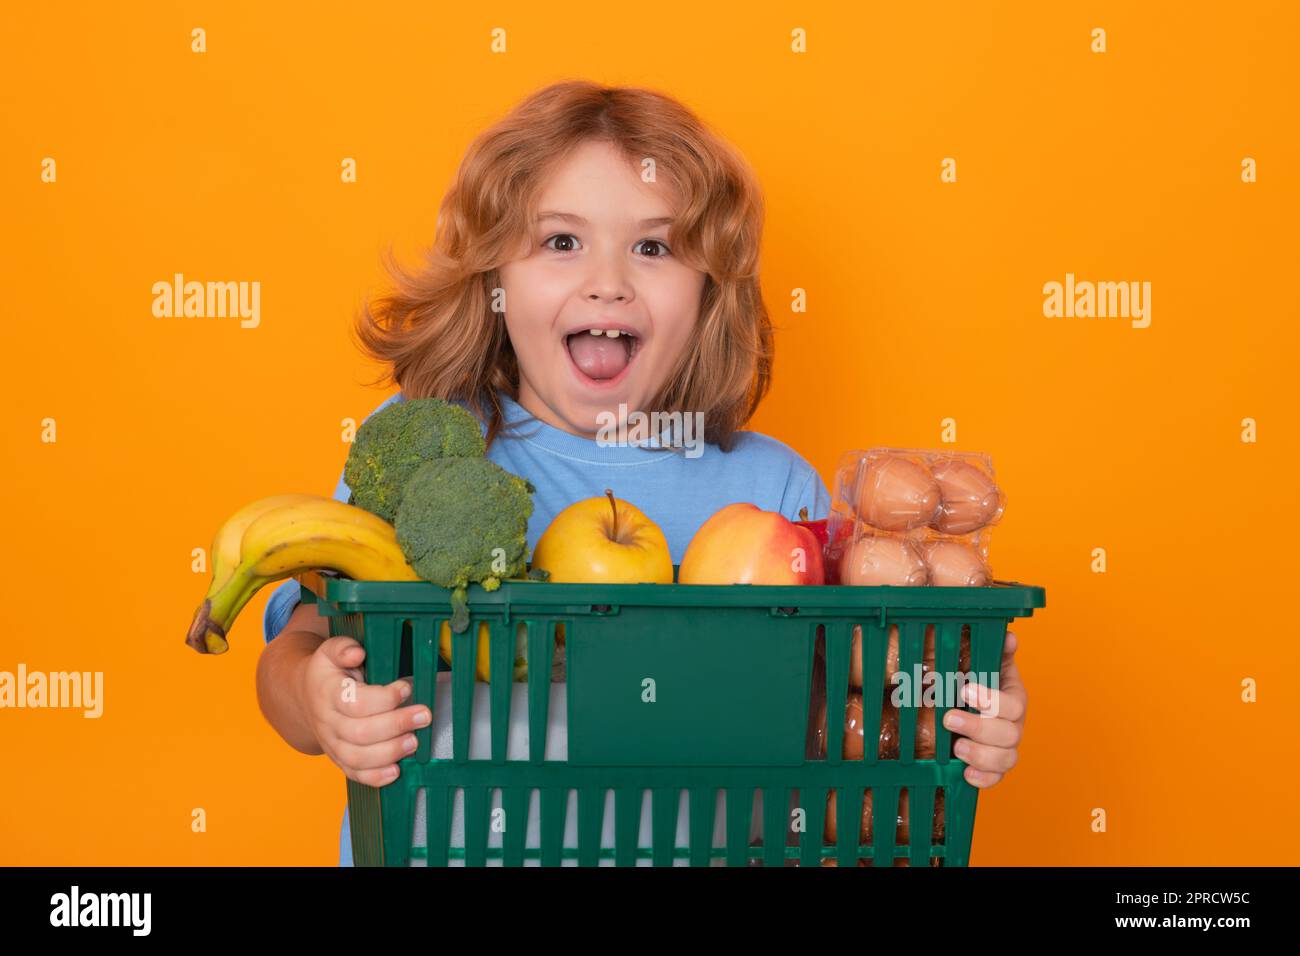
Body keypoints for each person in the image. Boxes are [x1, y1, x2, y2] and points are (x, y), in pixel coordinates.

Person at [255, 80, 1028, 866]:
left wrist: (961, 711)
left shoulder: (772, 492)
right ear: (495, 280)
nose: (609, 280)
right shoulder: (429, 453)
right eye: (561, 241)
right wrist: (324, 702)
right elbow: (300, 647)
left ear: (707, 292)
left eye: (653, 247)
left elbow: (857, 714)